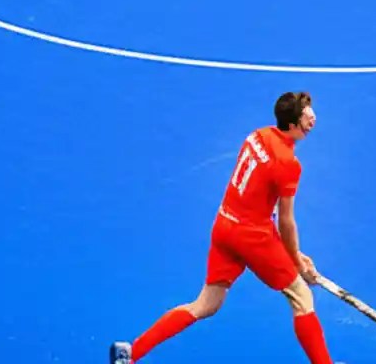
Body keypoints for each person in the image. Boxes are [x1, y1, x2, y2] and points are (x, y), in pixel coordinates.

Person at [110, 92, 334, 364]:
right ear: (293, 122)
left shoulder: (258, 135)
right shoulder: (289, 164)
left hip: (225, 226)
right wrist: (296, 259)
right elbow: (286, 219)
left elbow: (261, 198)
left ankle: (131, 353)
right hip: (252, 236)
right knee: (301, 297)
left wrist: (292, 253)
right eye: (307, 113)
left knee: (205, 305)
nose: (313, 117)